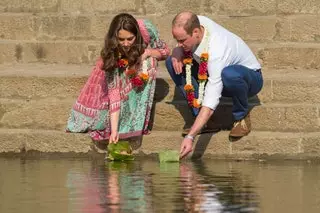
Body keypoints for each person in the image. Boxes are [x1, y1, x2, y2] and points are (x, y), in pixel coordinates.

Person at [165, 11, 263, 159]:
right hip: (216, 72)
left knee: (229, 75)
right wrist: (177, 50)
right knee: (172, 62)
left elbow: (211, 102)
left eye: (182, 40)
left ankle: (241, 116)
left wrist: (191, 137)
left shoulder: (218, 51)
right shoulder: (198, 22)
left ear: (196, 32)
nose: (179, 44)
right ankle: (203, 121)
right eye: (176, 40)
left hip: (249, 78)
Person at [66, 13, 170, 144]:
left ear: (137, 35)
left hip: (138, 64)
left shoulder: (146, 29)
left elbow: (165, 51)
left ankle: (136, 120)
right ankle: (123, 125)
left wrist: (146, 53)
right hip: (117, 74)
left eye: (130, 39)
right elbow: (114, 92)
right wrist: (114, 131)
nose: (126, 44)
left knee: (150, 63)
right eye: (121, 40)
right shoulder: (112, 53)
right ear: (115, 38)